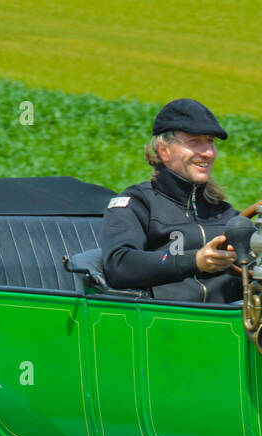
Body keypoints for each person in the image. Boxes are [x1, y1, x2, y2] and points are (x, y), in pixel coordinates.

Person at [99, 99, 241, 302]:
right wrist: (195, 261)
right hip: (163, 325)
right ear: (165, 151)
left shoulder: (226, 213)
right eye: (194, 141)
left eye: (210, 141)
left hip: (230, 323)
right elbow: (120, 264)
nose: (208, 152)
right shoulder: (136, 204)